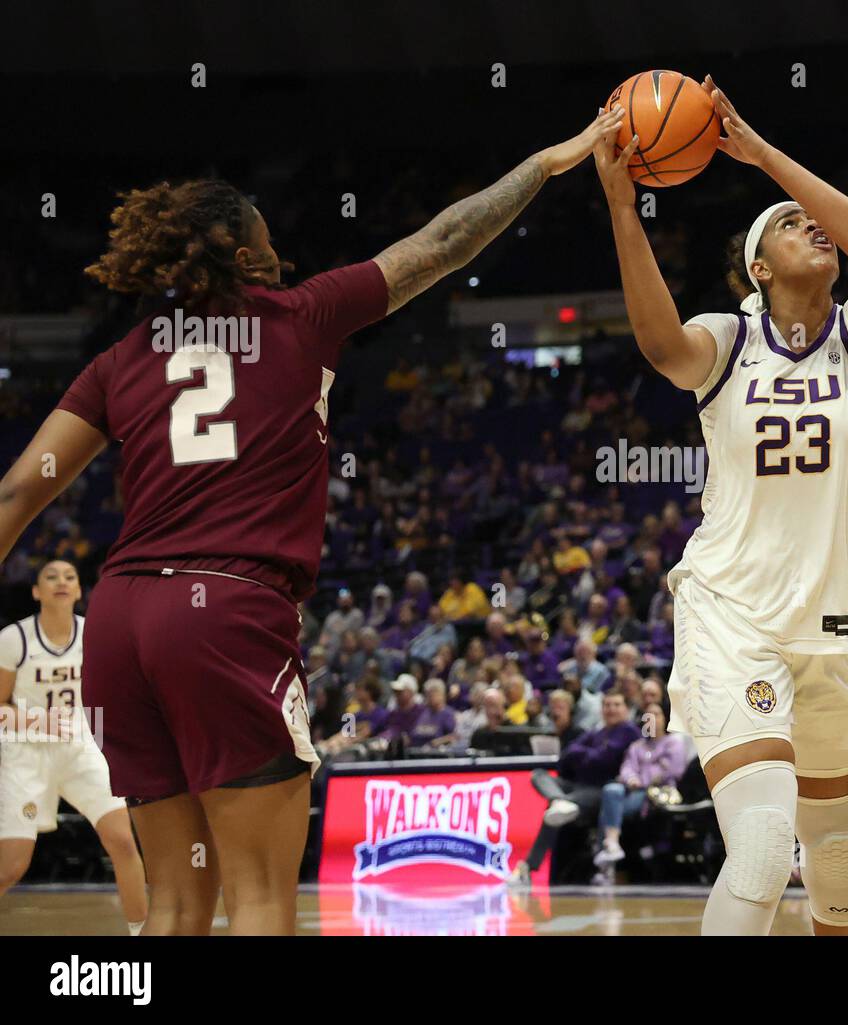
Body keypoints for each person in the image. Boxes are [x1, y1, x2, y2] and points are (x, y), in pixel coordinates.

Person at [0, 106, 621, 935]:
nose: (276, 247)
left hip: (117, 624)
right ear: (238, 249)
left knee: (179, 902)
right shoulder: (301, 314)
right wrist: (545, 163)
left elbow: (16, 494)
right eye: (262, 234)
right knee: (260, 900)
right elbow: (441, 245)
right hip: (223, 612)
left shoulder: (119, 361)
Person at [592, 81, 848, 937]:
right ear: (757, 269)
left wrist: (759, 149)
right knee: (767, 848)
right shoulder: (728, 340)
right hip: (732, 616)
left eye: (817, 221)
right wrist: (625, 207)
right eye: (788, 223)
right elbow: (661, 346)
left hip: (835, 629)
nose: (815, 226)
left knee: (838, 857)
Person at [0, 561, 147, 934]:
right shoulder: (13, 639)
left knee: (123, 842)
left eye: (70, 577)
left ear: (80, 591)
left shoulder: (93, 634)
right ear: (36, 591)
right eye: (51, 576)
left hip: (80, 746)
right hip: (26, 751)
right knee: (11, 866)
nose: (61, 582)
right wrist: (37, 721)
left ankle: (142, 931)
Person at [510, 692, 639, 885]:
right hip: (577, 786)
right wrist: (590, 754)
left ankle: (529, 866)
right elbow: (566, 756)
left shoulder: (629, 731)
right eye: (607, 705)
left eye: (616, 705)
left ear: (626, 709)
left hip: (603, 789)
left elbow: (605, 759)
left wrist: (584, 754)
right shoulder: (597, 732)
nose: (611, 709)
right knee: (539, 775)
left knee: (553, 813)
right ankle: (559, 799)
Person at [595, 703, 692, 871]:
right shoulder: (637, 746)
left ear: (665, 718)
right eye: (648, 715)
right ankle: (611, 845)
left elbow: (674, 770)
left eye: (656, 714)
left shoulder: (673, 742)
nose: (652, 719)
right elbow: (627, 768)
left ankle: (607, 855)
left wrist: (645, 779)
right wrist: (632, 779)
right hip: (634, 792)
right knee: (611, 790)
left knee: (607, 810)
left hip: (658, 794)